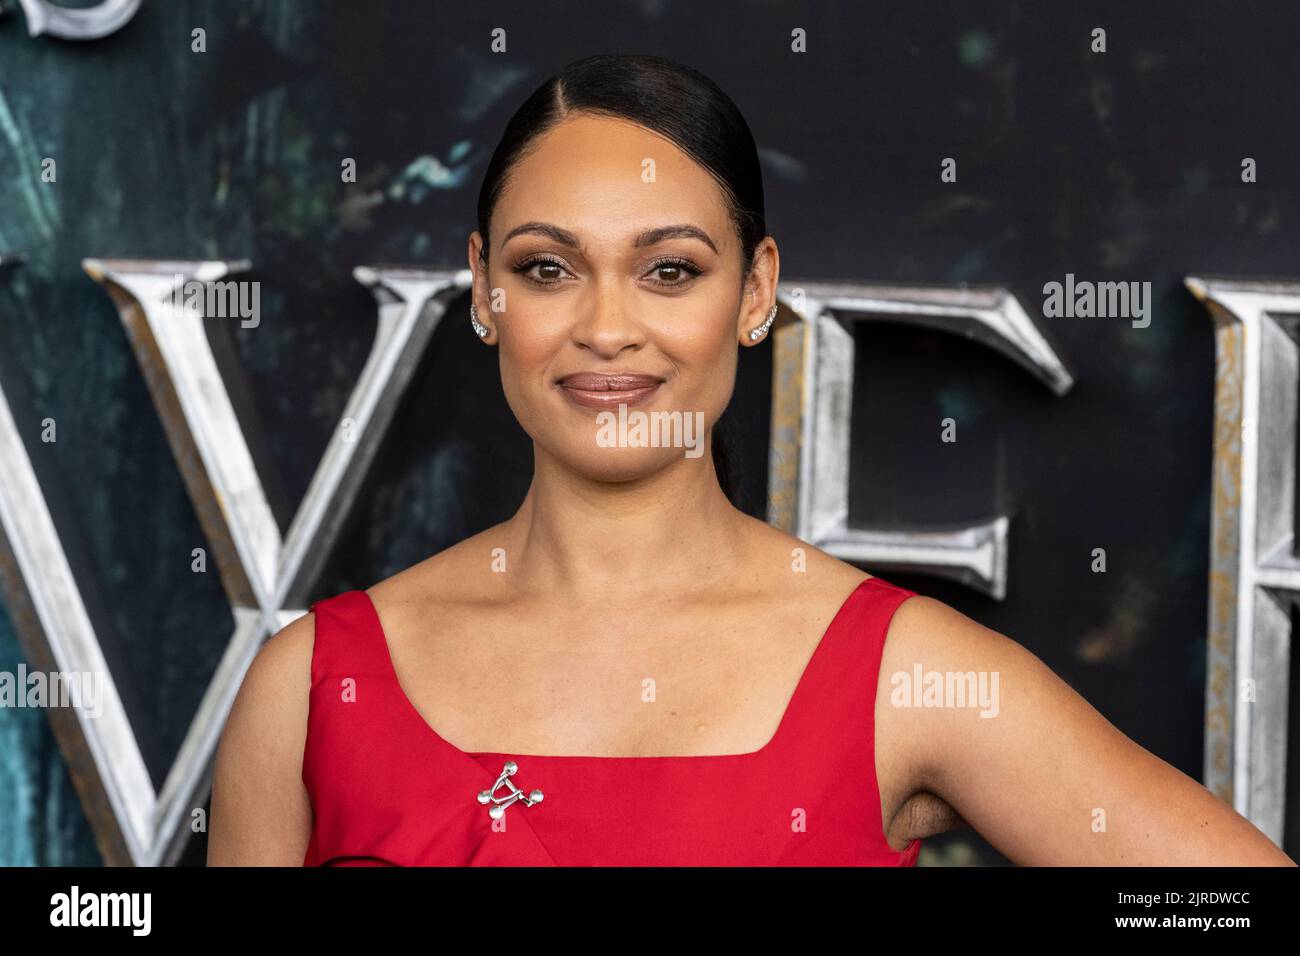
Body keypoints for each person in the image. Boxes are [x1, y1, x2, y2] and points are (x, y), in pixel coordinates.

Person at [207, 53, 1295, 866]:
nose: (606, 326)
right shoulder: (311, 686)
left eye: (669, 270)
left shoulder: (899, 672)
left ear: (757, 290)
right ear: (485, 290)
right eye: (548, 268)